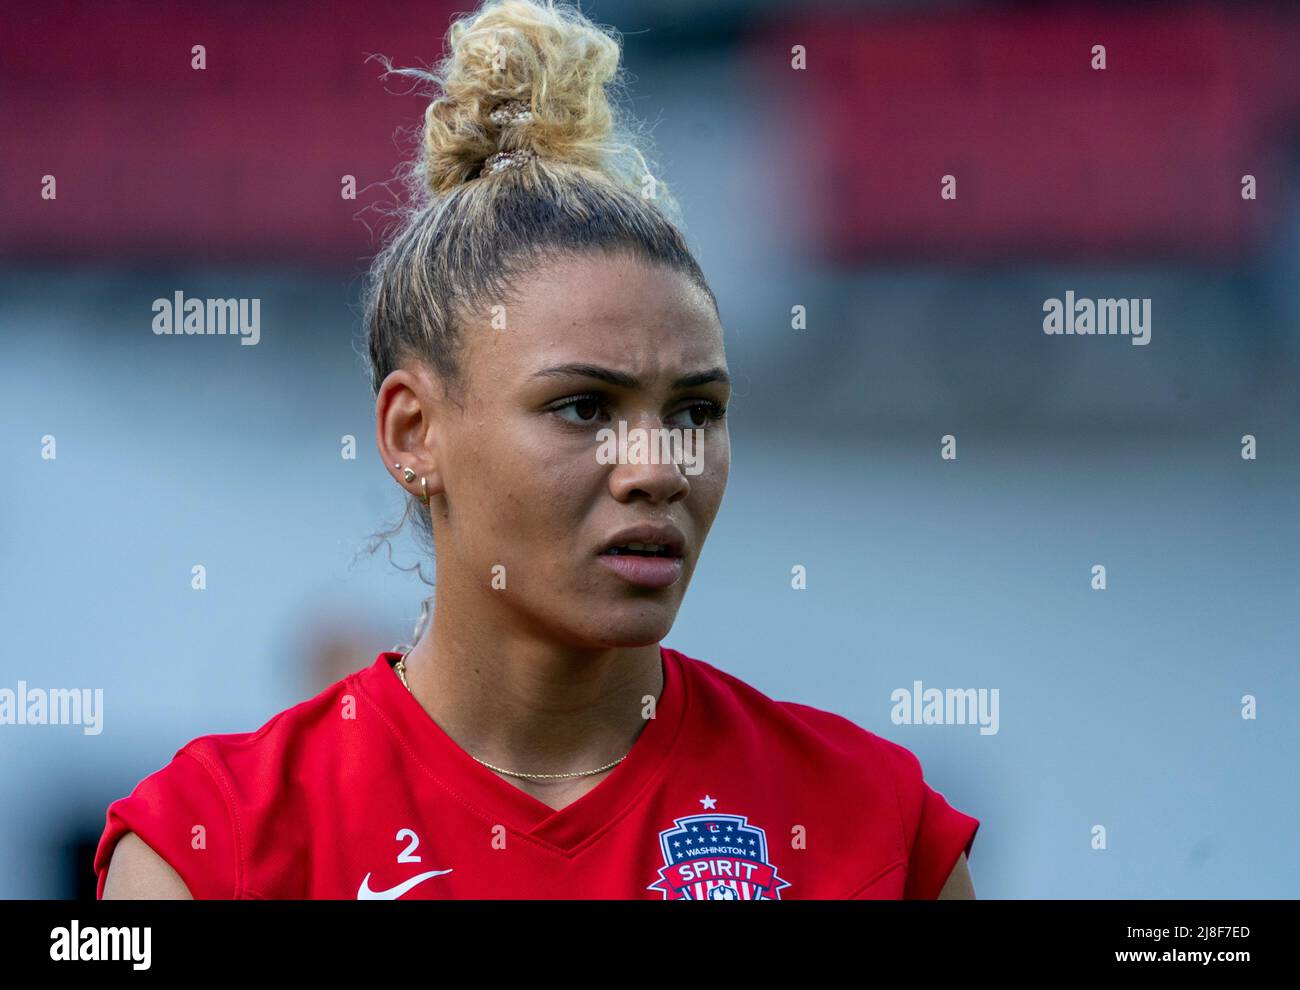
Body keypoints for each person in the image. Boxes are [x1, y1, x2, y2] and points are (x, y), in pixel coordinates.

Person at [97, 0, 978, 900]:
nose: (659, 468)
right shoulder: (212, 846)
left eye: (696, 412)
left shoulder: (876, 829)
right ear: (413, 433)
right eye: (583, 406)